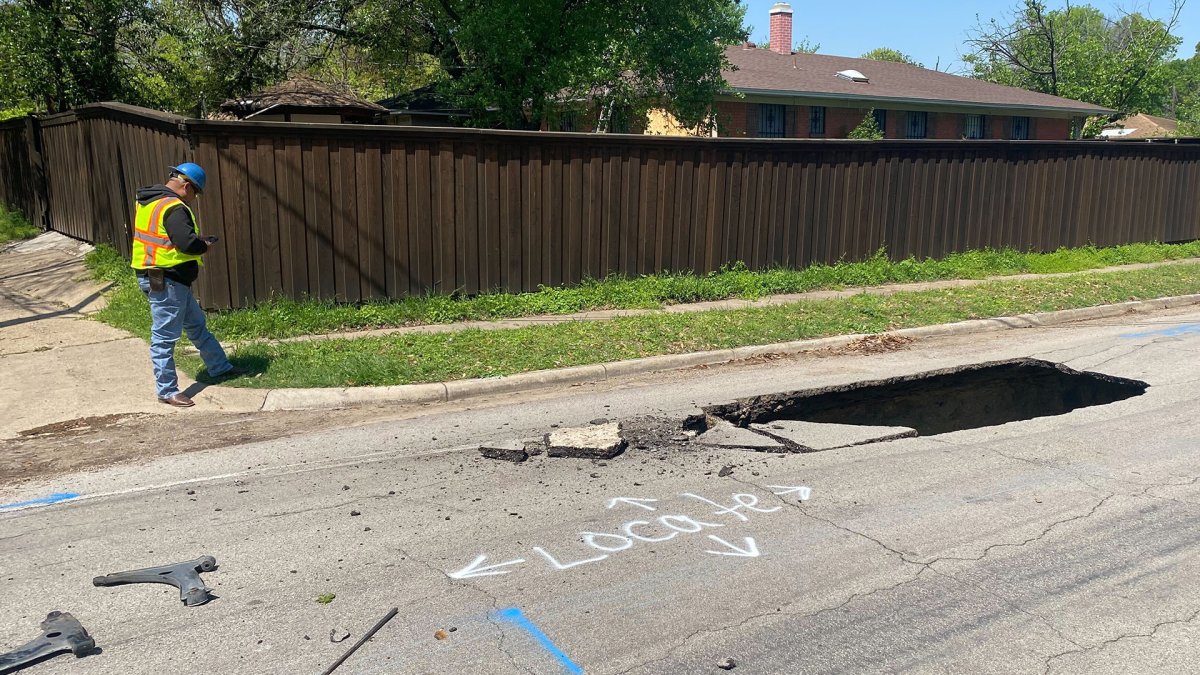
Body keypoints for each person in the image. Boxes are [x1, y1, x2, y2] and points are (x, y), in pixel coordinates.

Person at [130, 162, 245, 407]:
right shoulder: (174, 207)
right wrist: (204, 245)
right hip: (167, 279)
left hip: (161, 276)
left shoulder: (148, 201)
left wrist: (193, 240)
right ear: (186, 185)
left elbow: (165, 237)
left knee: (196, 325)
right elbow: (186, 244)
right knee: (164, 336)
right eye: (195, 193)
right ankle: (167, 390)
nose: (194, 198)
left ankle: (219, 367)